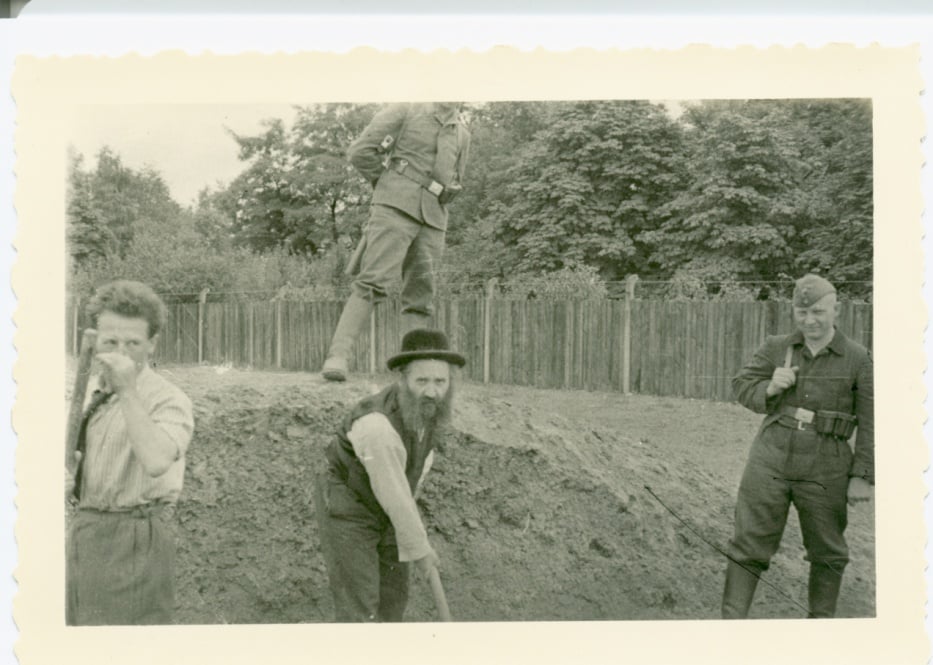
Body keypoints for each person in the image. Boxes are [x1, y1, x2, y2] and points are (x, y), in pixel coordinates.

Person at [722, 274, 873, 619]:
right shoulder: (778, 347)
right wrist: (769, 388)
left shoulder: (858, 358)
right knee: (747, 544)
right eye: (801, 313)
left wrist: (862, 475)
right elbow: (741, 385)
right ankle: (729, 631)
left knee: (828, 551)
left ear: (837, 310)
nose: (809, 321)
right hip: (771, 458)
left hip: (827, 464)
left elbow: (872, 422)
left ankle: (818, 633)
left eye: (818, 312)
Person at [66, 280, 194, 625]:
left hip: (135, 539)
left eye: (133, 343)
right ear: (94, 341)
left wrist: (126, 389)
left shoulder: (168, 399)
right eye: (110, 341)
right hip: (86, 532)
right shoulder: (90, 392)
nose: (120, 352)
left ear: (152, 345)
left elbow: (155, 461)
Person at [315, 328, 465, 621]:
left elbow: (409, 486)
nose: (432, 391)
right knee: (360, 606)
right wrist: (421, 553)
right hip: (348, 504)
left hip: (385, 502)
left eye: (440, 381)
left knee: (393, 600)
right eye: (422, 380)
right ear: (403, 379)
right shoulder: (377, 426)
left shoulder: (428, 414)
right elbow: (395, 496)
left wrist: (415, 541)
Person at [321, 102, 470, 382]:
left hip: (434, 219)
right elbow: (360, 152)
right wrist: (390, 183)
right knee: (372, 283)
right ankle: (337, 357)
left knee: (421, 297)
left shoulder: (462, 134)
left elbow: (456, 179)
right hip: (393, 208)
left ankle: (412, 371)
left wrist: (450, 189)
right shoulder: (406, 111)